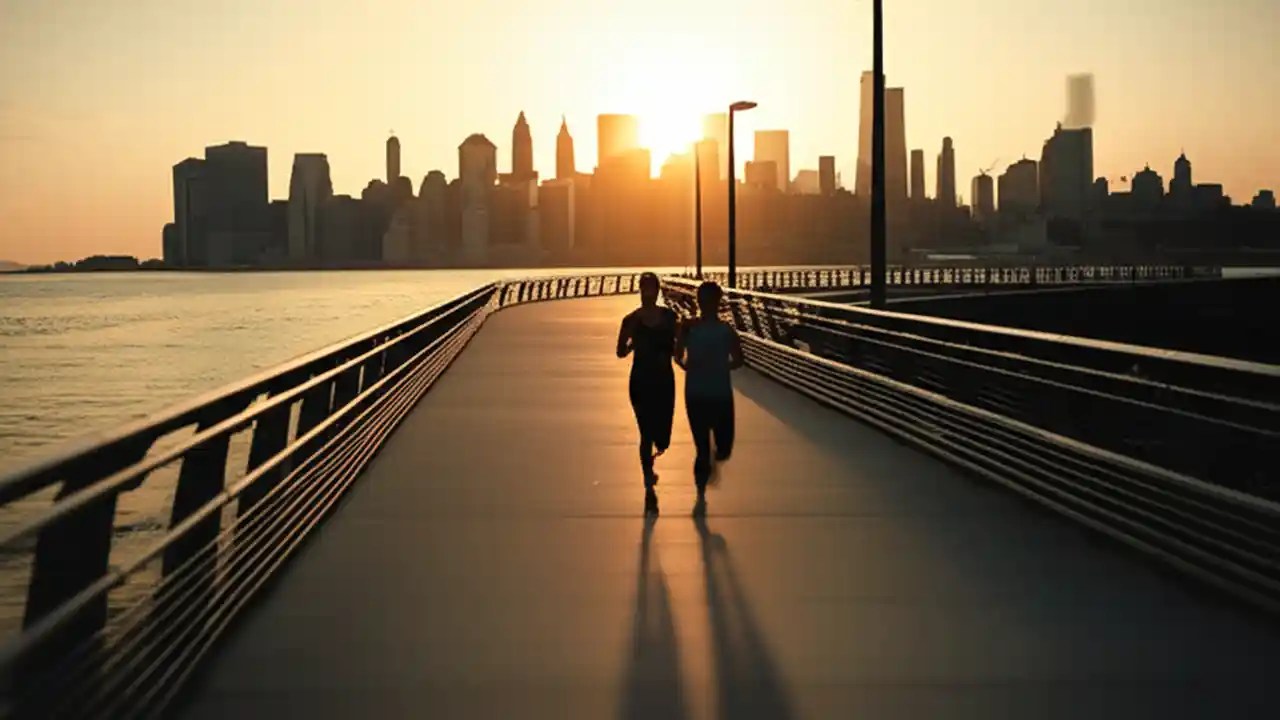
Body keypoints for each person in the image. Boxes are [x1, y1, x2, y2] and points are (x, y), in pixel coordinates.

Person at [675, 281, 743, 515]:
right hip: (710, 394)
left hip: (704, 393)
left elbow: (678, 357)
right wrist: (722, 366)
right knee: (708, 448)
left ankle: (705, 476)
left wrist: (690, 365)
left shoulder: (724, 330)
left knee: (715, 448)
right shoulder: (693, 329)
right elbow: (739, 360)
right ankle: (700, 492)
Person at [616, 272, 678, 514]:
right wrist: (634, 344)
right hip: (641, 380)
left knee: (662, 437)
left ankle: (652, 458)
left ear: (658, 290)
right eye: (645, 289)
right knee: (645, 433)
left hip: (664, 380)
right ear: (640, 291)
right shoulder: (630, 321)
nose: (648, 293)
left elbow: (678, 343)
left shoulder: (670, 317)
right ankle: (647, 478)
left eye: (651, 289)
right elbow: (620, 351)